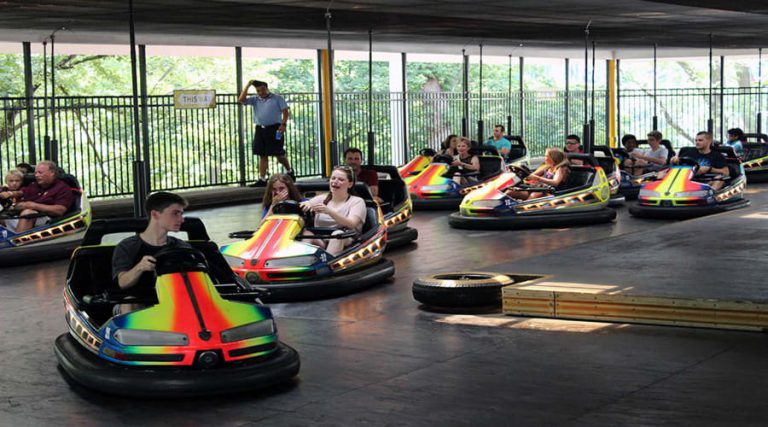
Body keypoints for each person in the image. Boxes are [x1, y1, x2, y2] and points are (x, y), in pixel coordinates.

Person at [111, 192, 190, 314]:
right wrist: (139, 268)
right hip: (139, 302)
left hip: (172, 302)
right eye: (175, 213)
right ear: (155, 214)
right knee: (129, 303)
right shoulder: (127, 246)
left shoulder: (182, 247)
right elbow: (122, 283)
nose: (181, 219)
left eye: (181, 214)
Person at [300, 166, 367, 256]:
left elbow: (352, 223)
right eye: (333, 178)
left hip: (346, 238)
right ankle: (302, 263)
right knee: (306, 233)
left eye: (341, 179)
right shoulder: (321, 199)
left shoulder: (357, 201)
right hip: (321, 240)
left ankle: (327, 265)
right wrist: (307, 204)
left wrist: (329, 211)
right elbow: (306, 204)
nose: (335, 181)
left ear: (350, 184)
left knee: (337, 234)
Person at [238, 80, 293, 187]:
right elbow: (241, 100)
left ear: (267, 88)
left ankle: (290, 171)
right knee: (262, 155)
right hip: (260, 129)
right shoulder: (255, 99)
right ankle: (262, 179)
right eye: (258, 90)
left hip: (274, 128)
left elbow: (285, 111)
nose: (261, 92)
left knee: (279, 154)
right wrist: (248, 85)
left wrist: (283, 124)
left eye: (263, 89)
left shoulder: (277, 98)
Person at [10, 161, 74, 233]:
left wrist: (33, 206)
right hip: (21, 216)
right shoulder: (33, 185)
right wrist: (18, 205)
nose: (36, 175)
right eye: (35, 173)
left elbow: (60, 210)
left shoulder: (62, 187)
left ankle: (17, 243)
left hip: (49, 221)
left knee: (28, 213)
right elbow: (18, 203)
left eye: (40, 173)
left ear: (52, 173)